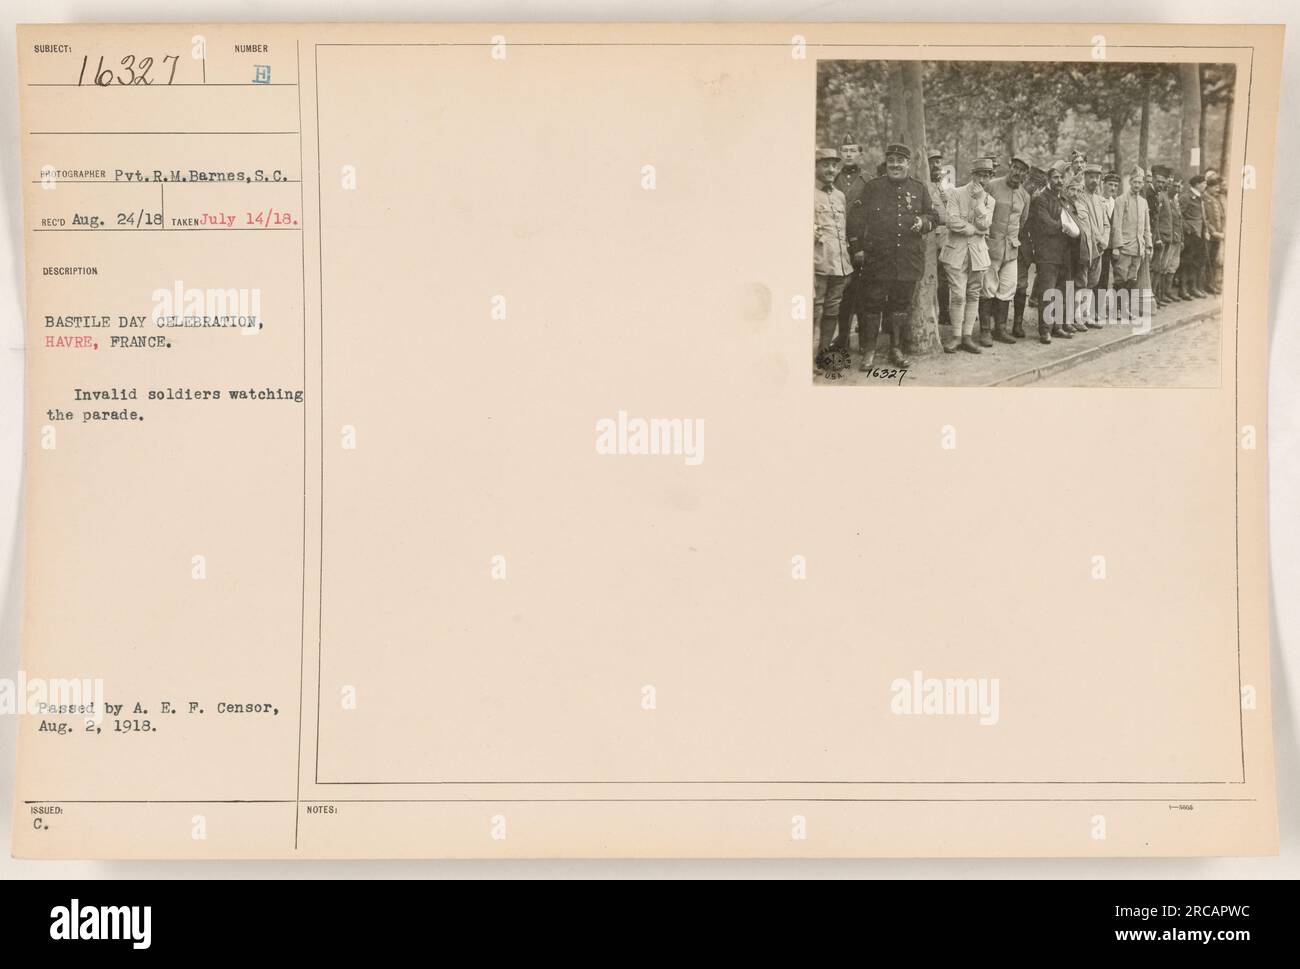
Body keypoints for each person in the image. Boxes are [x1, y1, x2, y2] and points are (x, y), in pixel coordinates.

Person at [845, 142, 939, 369]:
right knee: (872, 305)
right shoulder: (873, 187)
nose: (895, 165)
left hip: (907, 260)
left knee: (900, 305)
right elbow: (856, 219)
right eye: (891, 161)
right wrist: (857, 248)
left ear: (908, 163)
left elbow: (933, 216)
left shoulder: (919, 188)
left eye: (900, 161)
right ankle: (869, 351)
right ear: (886, 163)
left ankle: (896, 348)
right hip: (878, 260)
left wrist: (923, 222)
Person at [940, 157, 996, 353]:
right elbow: (951, 222)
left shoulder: (990, 200)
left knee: (973, 295)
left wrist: (980, 202)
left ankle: (967, 337)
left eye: (987, 175)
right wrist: (974, 230)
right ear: (972, 175)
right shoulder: (956, 193)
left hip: (978, 255)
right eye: (979, 174)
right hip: (956, 253)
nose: (982, 179)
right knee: (957, 295)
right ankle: (955, 336)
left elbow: (986, 225)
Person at [981, 155, 1031, 343]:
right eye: (1016, 168)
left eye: (1023, 170)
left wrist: (1012, 239)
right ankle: (985, 330)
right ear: (1010, 167)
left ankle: (999, 329)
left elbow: (1022, 221)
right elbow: (980, 211)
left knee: (1007, 287)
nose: (1018, 173)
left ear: (1026, 174)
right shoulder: (992, 186)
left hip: (1011, 249)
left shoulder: (1025, 196)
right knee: (988, 287)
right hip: (991, 246)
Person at [813, 148, 852, 374]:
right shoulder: (807, 194)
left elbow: (842, 230)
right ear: (816, 167)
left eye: (833, 165)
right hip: (817, 264)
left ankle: (822, 355)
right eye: (825, 164)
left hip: (839, 263)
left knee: (831, 311)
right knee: (814, 311)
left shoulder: (839, 196)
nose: (830, 169)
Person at [1027, 161, 1076, 343]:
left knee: (1061, 292)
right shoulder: (1041, 198)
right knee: (1047, 292)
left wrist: (1072, 228)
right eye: (1055, 177)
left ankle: (1057, 326)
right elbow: (1045, 223)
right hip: (1047, 254)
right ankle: (1044, 330)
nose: (1059, 180)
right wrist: (1064, 226)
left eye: (1062, 177)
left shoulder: (1063, 198)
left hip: (1064, 253)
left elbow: (1074, 219)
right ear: (1048, 179)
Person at [1108, 165, 1153, 323]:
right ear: (1130, 182)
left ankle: (1126, 309)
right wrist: (1116, 247)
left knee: (1132, 280)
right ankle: (1117, 310)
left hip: (1138, 248)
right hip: (1124, 248)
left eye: (1140, 182)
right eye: (1134, 182)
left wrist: (1148, 245)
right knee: (1120, 279)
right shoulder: (1121, 200)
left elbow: (1147, 226)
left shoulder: (1143, 202)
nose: (1137, 185)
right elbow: (1116, 225)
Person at [1011, 164, 1047, 337]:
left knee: (1021, 286)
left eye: (1038, 186)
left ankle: (1017, 324)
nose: (1035, 189)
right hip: (1006, 245)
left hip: (1024, 249)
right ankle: (996, 325)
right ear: (1027, 180)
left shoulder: (1037, 202)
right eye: (1032, 183)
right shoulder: (1016, 194)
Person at [1074, 163, 1111, 328]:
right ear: (1085, 177)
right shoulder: (1080, 197)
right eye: (1091, 177)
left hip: (1100, 248)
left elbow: (1106, 224)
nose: (1094, 180)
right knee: (1081, 281)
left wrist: (1105, 240)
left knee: (1092, 282)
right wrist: (1099, 239)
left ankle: (1086, 315)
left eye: (1097, 177)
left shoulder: (1099, 199)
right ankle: (1076, 317)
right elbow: (1086, 221)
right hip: (1086, 246)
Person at [1179, 174, 1210, 298]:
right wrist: (1188, 229)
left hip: (1199, 235)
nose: (1205, 185)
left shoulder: (1199, 198)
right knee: (1186, 262)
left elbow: (1202, 218)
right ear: (1197, 184)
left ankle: (1193, 288)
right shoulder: (1186, 197)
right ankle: (1183, 289)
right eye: (1203, 183)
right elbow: (1179, 215)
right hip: (1190, 236)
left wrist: (1206, 231)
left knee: (1196, 262)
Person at [1204, 172, 1226, 294]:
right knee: (1207, 261)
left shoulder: (1216, 199)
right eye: (1215, 187)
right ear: (1209, 187)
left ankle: (1211, 283)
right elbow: (1205, 218)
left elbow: (1221, 216)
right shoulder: (1205, 198)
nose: (1217, 189)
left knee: (1213, 260)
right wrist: (1213, 232)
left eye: (1218, 187)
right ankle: (1207, 284)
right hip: (1210, 235)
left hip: (1217, 235)